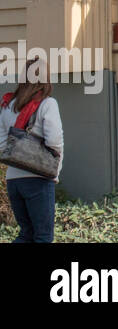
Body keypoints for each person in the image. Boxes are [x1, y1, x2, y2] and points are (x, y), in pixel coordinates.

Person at [1, 59, 63, 243]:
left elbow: (2, 144)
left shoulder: (8, 105)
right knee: (43, 237)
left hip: (13, 180)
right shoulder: (48, 104)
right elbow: (54, 141)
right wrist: (55, 169)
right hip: (39, 178)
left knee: (25, 235)